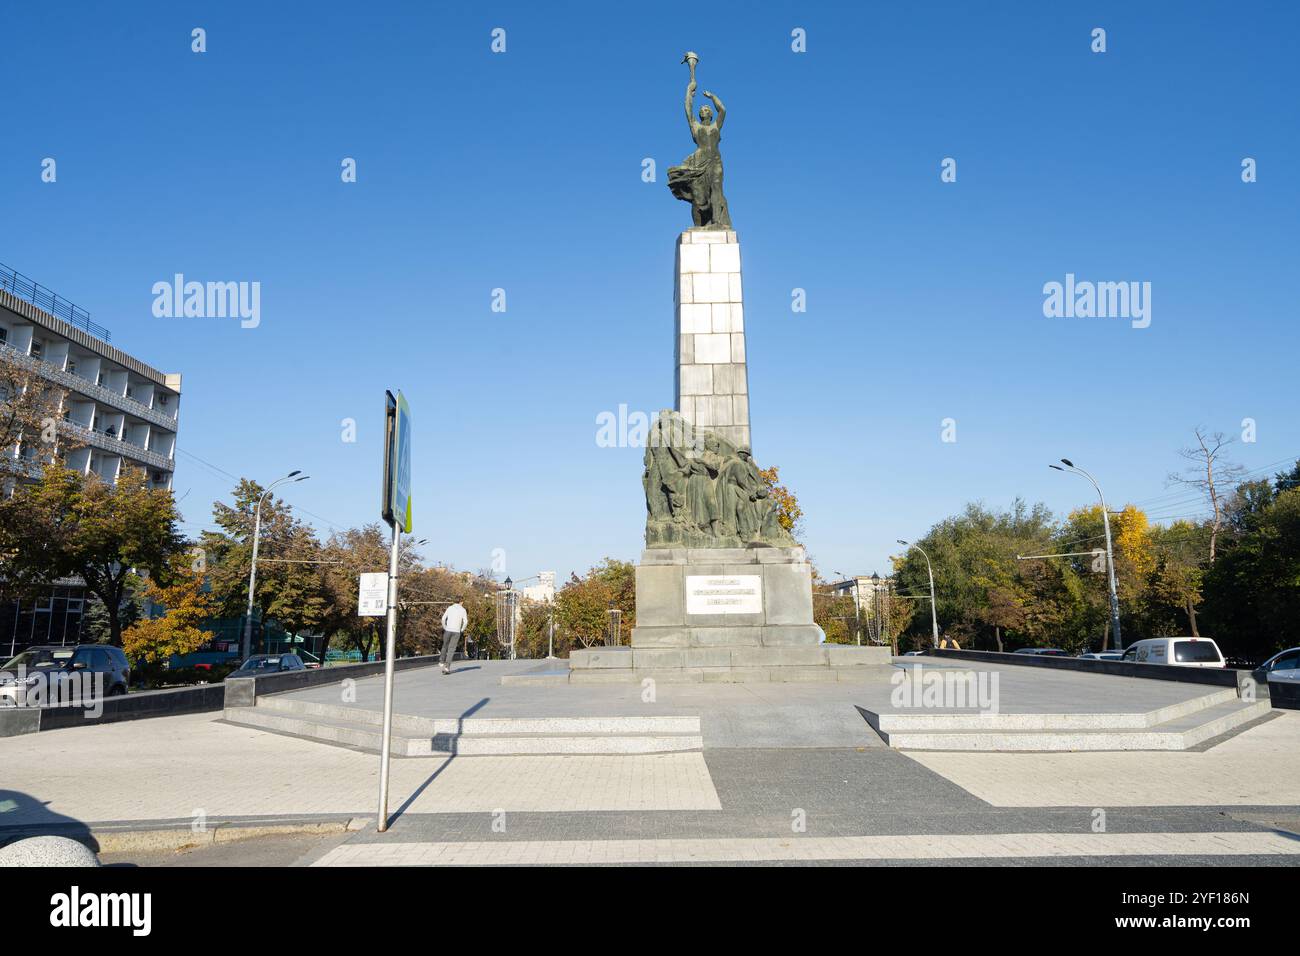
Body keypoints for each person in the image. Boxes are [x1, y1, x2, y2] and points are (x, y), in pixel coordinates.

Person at [440, 601, 468, 675]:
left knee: (444, 646)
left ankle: (441, 661)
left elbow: (443, 619)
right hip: (456, 632)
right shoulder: (463, 610)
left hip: (448, 630)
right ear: (461, 602)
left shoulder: (450, 608)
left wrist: (445, 627)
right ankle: (447, 667)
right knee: (451, 649)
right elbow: (465, 622)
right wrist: (461, 630)